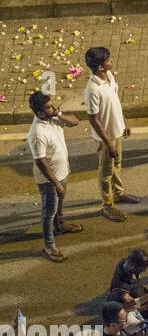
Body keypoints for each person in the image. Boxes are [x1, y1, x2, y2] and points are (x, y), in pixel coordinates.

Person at [82, 46, 138, 223]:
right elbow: (93, 119)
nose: (111, 61)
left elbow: (116, 102)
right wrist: (108, 142)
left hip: (117, 132)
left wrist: (124, 123)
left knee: (118, 164)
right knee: (106, 172)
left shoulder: (110, 77)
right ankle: (107, 204)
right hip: (106, 137)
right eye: (108, 60)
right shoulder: (92, 89)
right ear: (100, 67)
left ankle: (119, 193)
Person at [26, 91, 81, 263]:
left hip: (62, 172)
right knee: (48, 213)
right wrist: (56, 183)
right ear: (40, 113)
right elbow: (41, 162)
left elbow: (75, 122)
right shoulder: (37, 133)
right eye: (49, 107)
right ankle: (49, 246)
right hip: (49, 180)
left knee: (60, 203)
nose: (54, 107)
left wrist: (57, 113)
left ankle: (60, 226)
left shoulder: (53, 118)